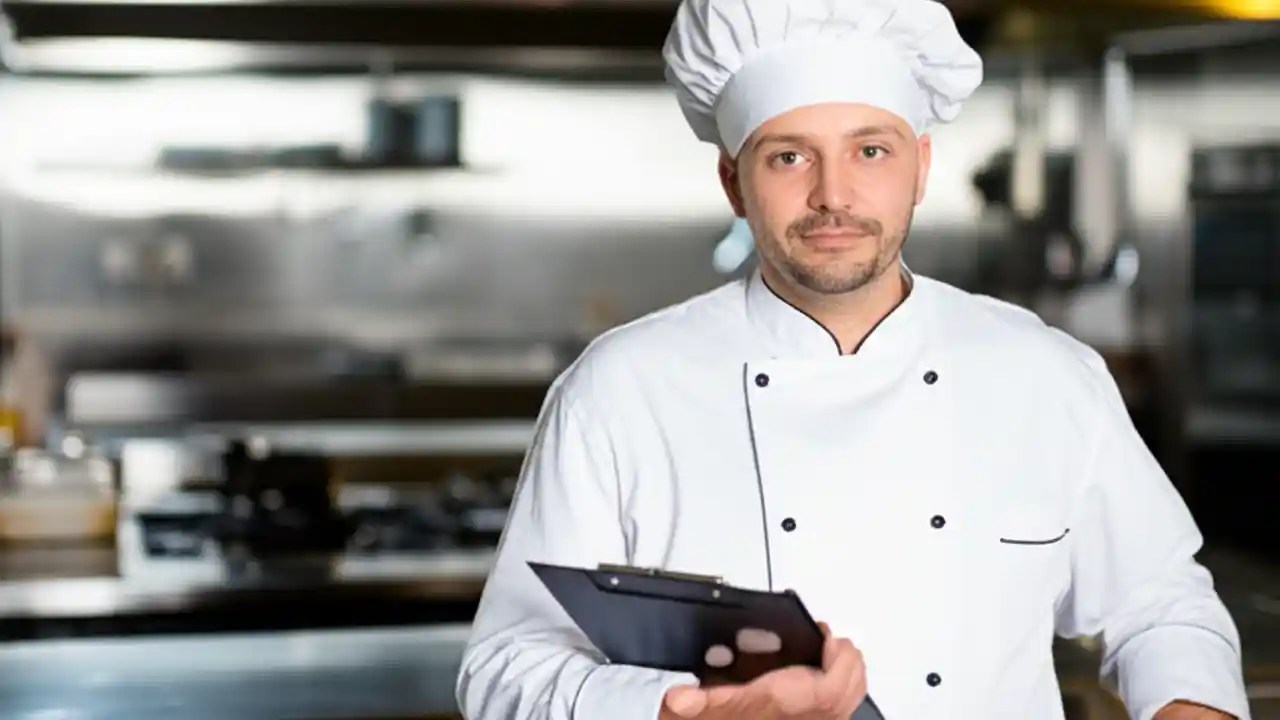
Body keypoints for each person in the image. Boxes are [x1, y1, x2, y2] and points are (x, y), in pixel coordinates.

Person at [454, 0, 1252, 717]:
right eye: (789, 157)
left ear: (922, 169)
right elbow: (505, 669)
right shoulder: (619, 390)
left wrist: (1190, 703)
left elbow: (1160, 603)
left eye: (870, 151)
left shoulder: (1045, 373)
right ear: (734, 182)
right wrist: (680, 712)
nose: (834, 195)